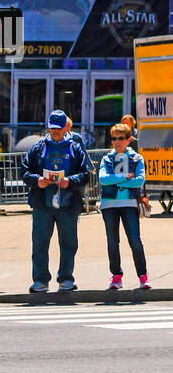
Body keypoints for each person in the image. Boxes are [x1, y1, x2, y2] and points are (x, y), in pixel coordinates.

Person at [22, 109, 94, 292]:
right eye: (52, 128)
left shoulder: (75, 147)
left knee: (69, 243)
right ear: (48, 128)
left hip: (68, 204)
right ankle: (40, 279)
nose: (55, 131)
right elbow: (24, 171)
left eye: (59, 128)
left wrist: (70, 182)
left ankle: (66, 278)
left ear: (65, 128)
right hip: (42, 204)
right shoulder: (38, 148)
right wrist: (37, 181)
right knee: (40, 243)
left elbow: (86, 174)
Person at [98, 123, 151, 289]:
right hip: (109, 205)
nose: (117, 141)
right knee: (112, 242)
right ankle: (116, 276)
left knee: (135, 241)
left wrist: (117, 179)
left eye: (121, 138)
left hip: (129, 204)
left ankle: (143, 276)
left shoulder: (136, 158)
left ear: (129, 140)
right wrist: (126, 177)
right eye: (114, 138)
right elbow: (103, 179)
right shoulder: (106, 158)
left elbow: (140, 180)